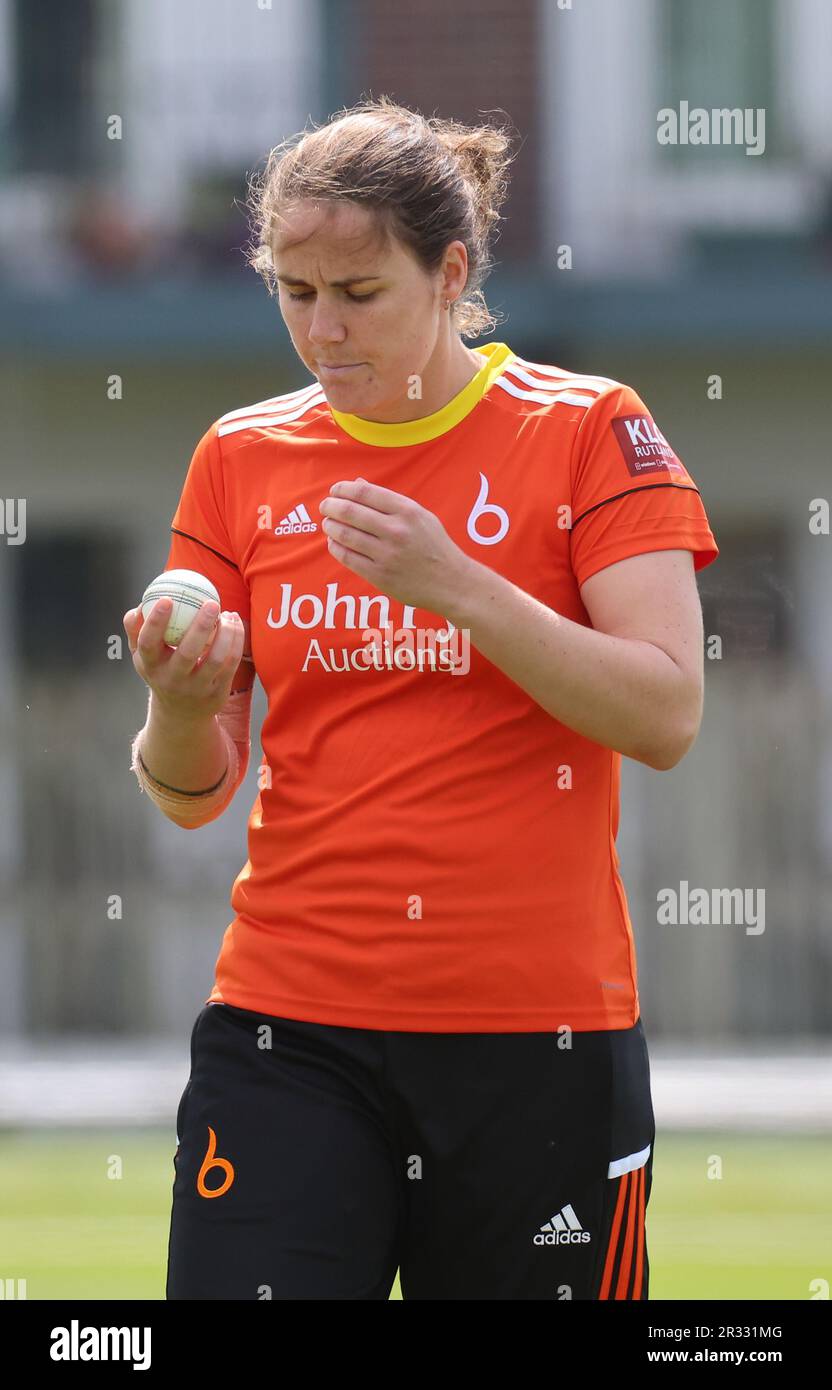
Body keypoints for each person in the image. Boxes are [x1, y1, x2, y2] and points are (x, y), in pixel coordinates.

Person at [123, 96, 719, 1300]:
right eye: (294, 292)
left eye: (358, 293)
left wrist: (454, 582)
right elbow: (194, 795)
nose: (321, 330)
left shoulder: (591, 430)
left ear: (449, 274)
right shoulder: (240, 456)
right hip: (289, 1030)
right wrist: (178, 705)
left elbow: (663, 715)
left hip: (537, 1040)